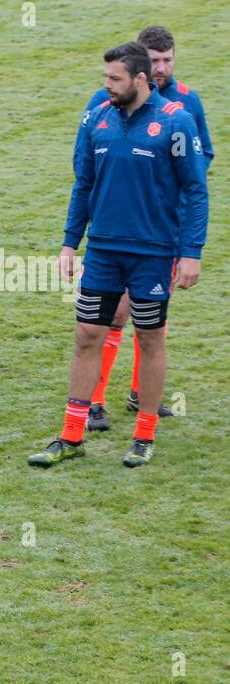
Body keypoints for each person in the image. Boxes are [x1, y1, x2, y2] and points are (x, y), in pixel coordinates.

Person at [30, 42, 207, 468]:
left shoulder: (175, 122)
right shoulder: (98, 119)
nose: (106, 85)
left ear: (140, 79)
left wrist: (191, 253)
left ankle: (144, 435)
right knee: (87, 335)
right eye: (106, 77)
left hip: (153, 253)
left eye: (115, 79)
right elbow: (83, 184)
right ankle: (72, 437)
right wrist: (70, 243)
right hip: (104, 251)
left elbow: (196, 189)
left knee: (148, 338)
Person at [82, 26, 215, 430]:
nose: (161, 68)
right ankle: (95, 401)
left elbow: (202, 156)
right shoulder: (108, 100)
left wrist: (165, 185)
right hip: (120, 227)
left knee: (152, 313)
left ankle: (142, 395)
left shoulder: (187, 101)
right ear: (141, 64)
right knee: (116, 314)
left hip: (164, 227)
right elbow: (88, 164)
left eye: (167, 60)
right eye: (154, 61)